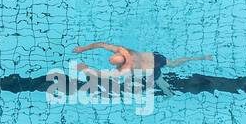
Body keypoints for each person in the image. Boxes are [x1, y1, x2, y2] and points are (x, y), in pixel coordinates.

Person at [72, 42, 212, 82]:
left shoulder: (125, 69)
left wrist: (85, 69)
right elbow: (101, 44)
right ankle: (201, 57)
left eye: (112, 61)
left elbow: (103, 75)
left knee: (160, 82)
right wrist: (83, 49)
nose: (110, 60)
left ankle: (169, 95)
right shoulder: (124, 49)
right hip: (156, 56)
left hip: (153, 67)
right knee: (174, 63)